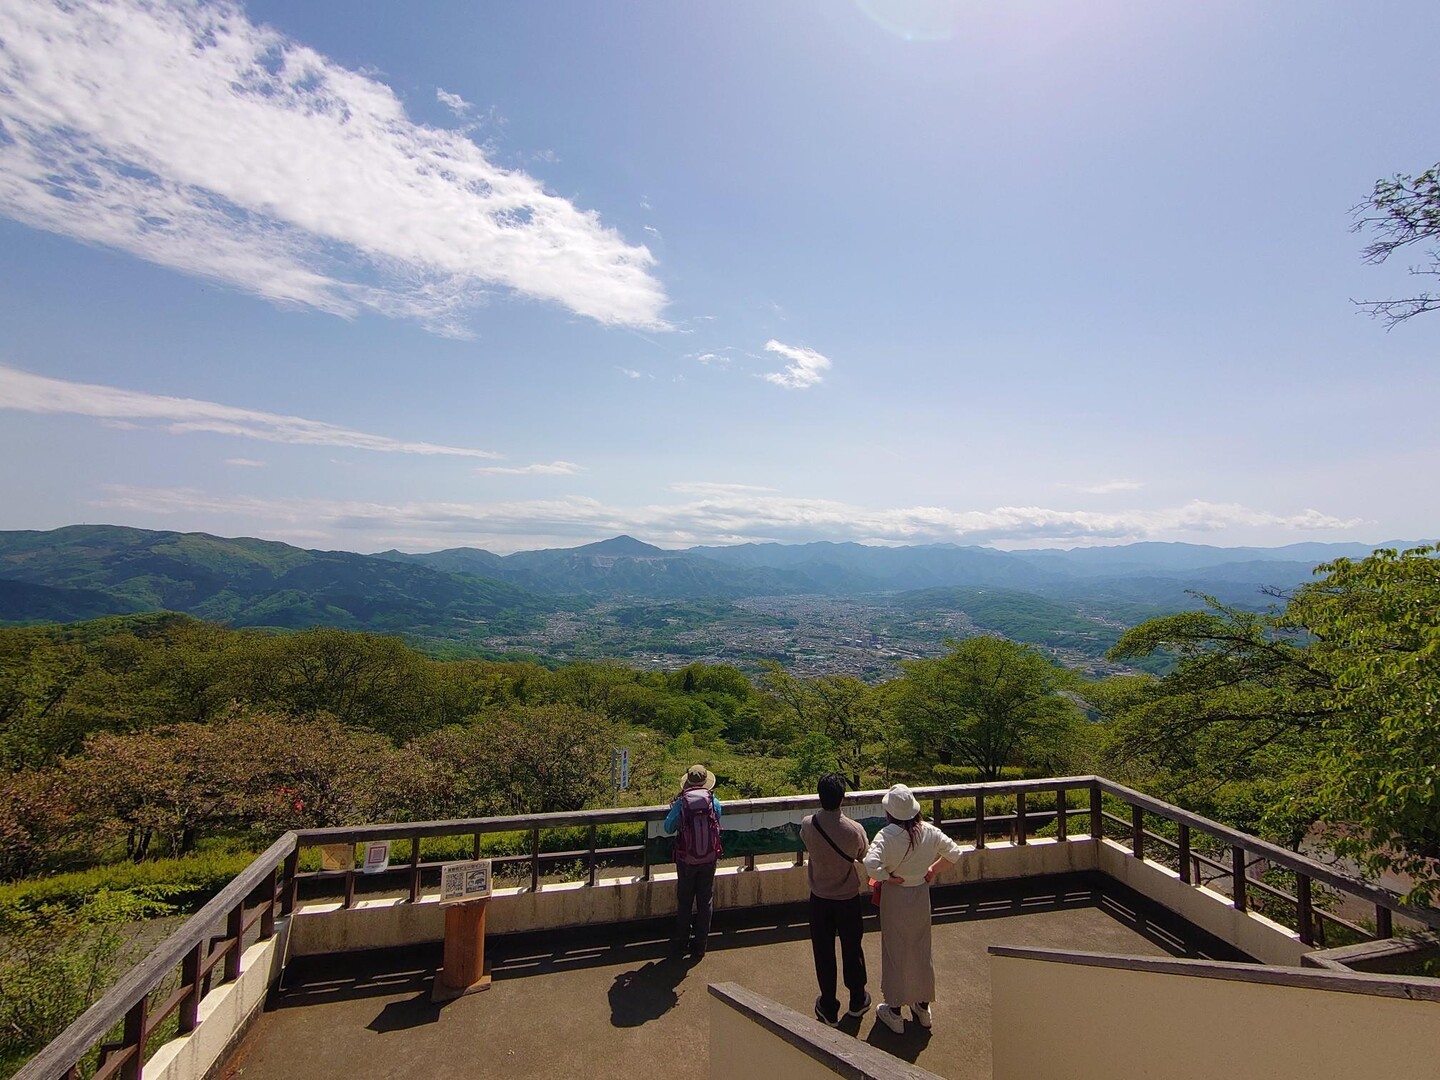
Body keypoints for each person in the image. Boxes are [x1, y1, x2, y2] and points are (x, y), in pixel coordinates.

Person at [863, 783, 963, 1034]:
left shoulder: (886, 836)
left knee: (895, 949)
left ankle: (895, 1009)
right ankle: (922, 1005)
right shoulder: (929, 831)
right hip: (920, 892)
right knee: (921, 947)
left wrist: (887, 877)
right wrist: (932, 870)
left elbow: (870, 863)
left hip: (896, 895)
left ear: (890, 811)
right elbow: (954, 852)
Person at [800, 772, 871, 1026]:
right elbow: (863, 855)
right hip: (848, 898)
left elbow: (806, 843)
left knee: (823, 951)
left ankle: (828, 1005)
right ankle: (857, 998)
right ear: (843, 798)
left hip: (819, 898)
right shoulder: (854, 830)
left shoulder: (808, 824)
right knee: (853, 949)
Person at [662, 764, 722, 960]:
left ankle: (682, 943)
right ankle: (701, 945)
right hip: (709, 857)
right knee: (705, 900)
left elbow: (668, 827)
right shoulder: (713, 801)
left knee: (685, 900)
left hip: (686, 858)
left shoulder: (681, 803)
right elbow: (718, 819)